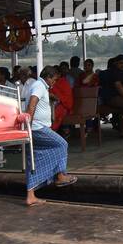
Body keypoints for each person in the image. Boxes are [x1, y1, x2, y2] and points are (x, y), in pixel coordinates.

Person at [20, 66, 78, 205]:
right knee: (62, 144)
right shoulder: (39, 86)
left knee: (35, 159)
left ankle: (30, 196)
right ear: (48, 77)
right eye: (54, 80)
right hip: (37, 128)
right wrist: (29, 123)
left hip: (35, 127)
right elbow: (33, 102)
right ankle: (60, 176)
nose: (55, 83)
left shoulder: (38, 85)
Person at [98, 55, 123, 137]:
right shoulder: (113, 72)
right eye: (121, 63)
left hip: (119, 96)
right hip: (110, 97)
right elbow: (119, 86)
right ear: (116, 63)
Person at [49, 63, 74, 131]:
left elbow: (67, 98)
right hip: (53, 103)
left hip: (64, 106)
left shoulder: (64, 82)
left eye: (55, 74)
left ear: (59, 74)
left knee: (57, 112)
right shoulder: (52, 82)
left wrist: (56, 98)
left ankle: (52, 130)